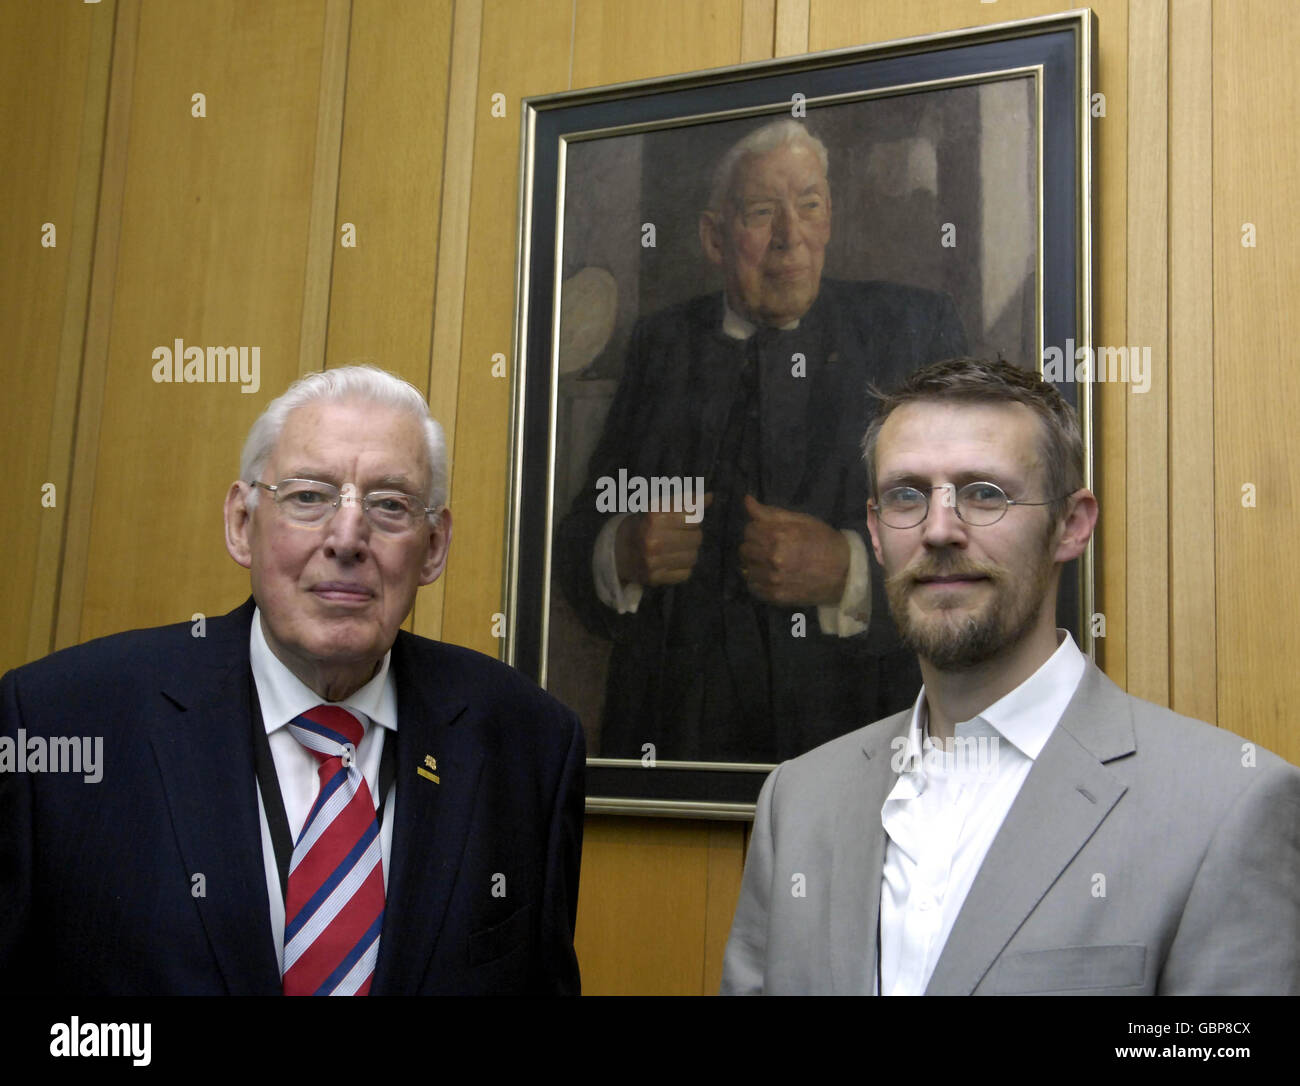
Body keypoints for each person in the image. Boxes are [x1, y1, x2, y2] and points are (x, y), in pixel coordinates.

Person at [721, 357, 1300, 995]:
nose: (939, 529)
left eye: (984, 494)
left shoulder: (1228, 807)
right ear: (877, 532)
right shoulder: (798, 803)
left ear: (1071, 525)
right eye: (907, 495)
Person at [0, 365, 584, 995]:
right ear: (241, 523)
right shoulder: (58, 722)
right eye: (309, 496)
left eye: (390, 505)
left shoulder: (530, 745)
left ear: (434, 546)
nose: (347, 537)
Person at [556, 118, 966, 763]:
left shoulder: (908, 331)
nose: (790, 239)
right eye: (760, 213)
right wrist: (622, 551)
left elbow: (974, 538)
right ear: (714, 237)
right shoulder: (661, 344)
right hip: (675, 748)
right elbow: (580, 538)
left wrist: (847, 570)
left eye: (809, 207)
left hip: (856, 746)